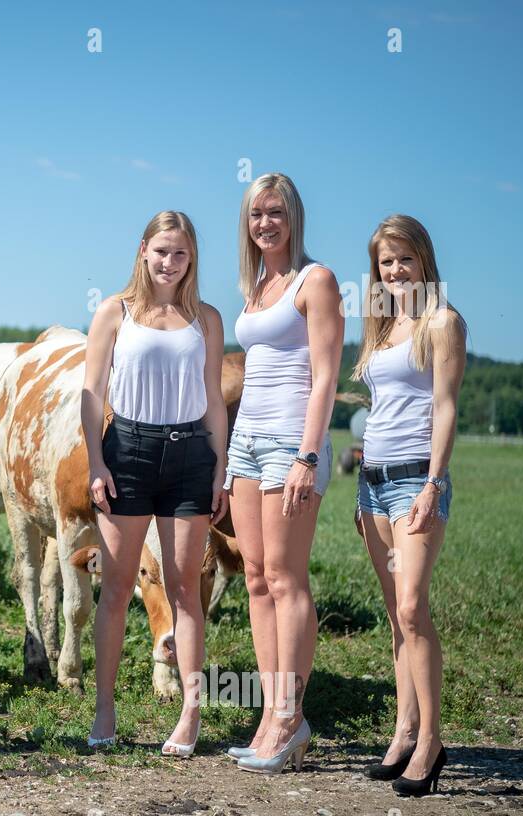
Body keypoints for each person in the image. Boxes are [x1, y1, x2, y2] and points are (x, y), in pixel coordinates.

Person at [82, 211, 227, 756]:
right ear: (144, 250)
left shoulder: (206, 319)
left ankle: (190, 714)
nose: (170, 262)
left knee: (185, 589)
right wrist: (97, 462)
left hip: (190, 453)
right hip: (127, 452)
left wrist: (219, 468)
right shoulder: (114, 313)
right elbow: (92, 393)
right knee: (117, 588)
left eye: (181, 254)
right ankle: (104, 709)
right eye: (162, 250)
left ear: (192, 259)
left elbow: (213, 397)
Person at [224, 173, 343, 774]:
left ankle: (291, 717)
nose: (265, 223)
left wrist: (308, 454)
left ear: (293, 216)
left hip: (290, 445)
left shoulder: (313, 280)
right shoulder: (257, 286)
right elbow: (255, 370)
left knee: (285, 575)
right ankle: (272, 715)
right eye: (255, 215)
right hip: (245, 442)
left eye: (275, 212)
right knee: (253, 576)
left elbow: (326, 376)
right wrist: (228, 455)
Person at [354, 214, 465, 797]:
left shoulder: (442, 322)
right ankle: (403, 731)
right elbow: (381, 411)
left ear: (424, 259)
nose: (395, 270)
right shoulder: (381, 327)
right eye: (385, 262)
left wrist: (433, 483)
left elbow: (444, 408)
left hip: (417, 484)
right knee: (397, 616)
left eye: (404, 259)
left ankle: (431, 741)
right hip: (371, 484)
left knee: (414, 608)